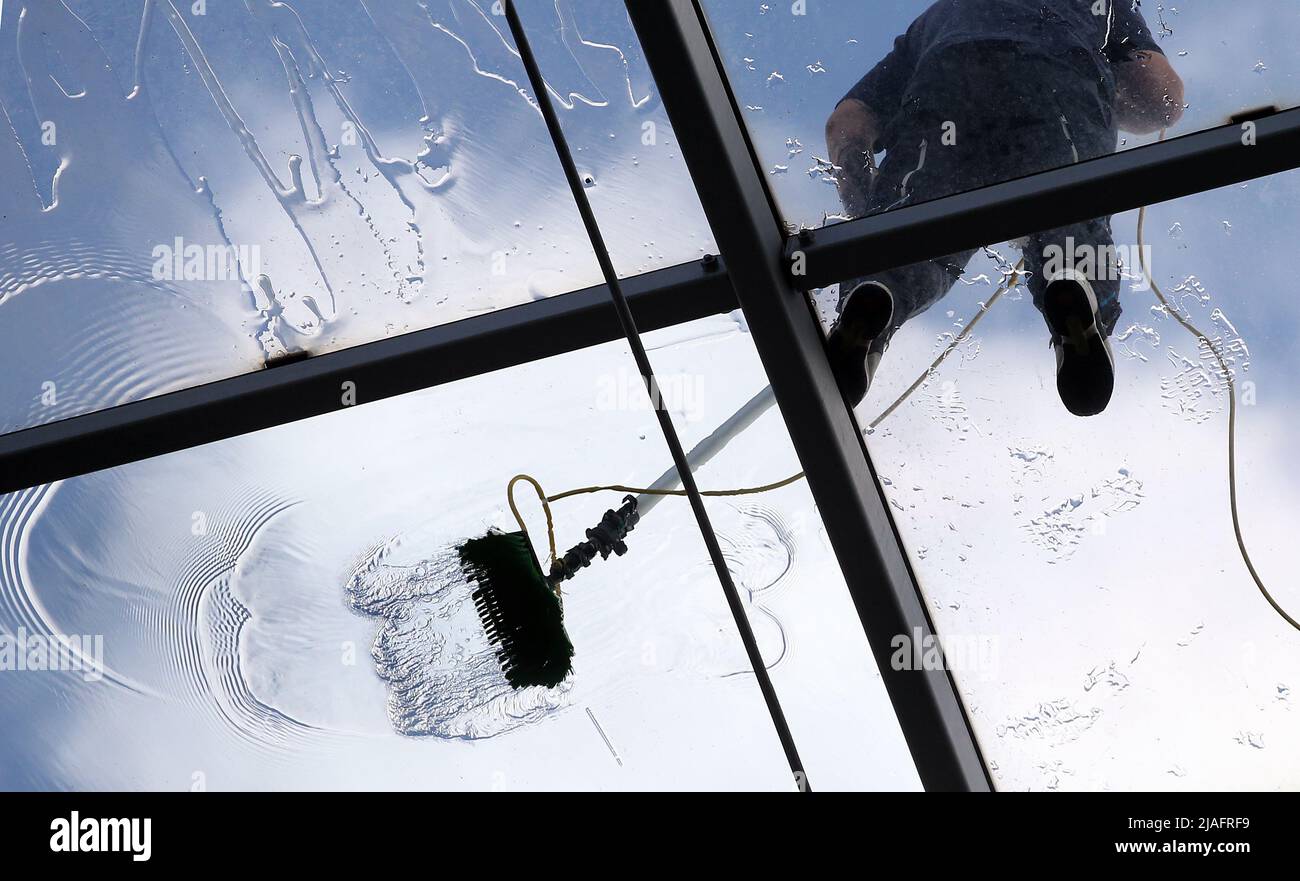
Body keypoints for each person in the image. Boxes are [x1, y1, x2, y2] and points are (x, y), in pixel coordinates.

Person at [823, 0, 1183, 416]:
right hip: (1056, 82)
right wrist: (1110, 83)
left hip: (945, 83)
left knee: (913, 228)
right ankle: (1075, 286)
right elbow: (1160, 98)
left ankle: (878, 285)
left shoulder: (940, 16)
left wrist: (871, 216)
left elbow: (846, 123)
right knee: (1069, 215)